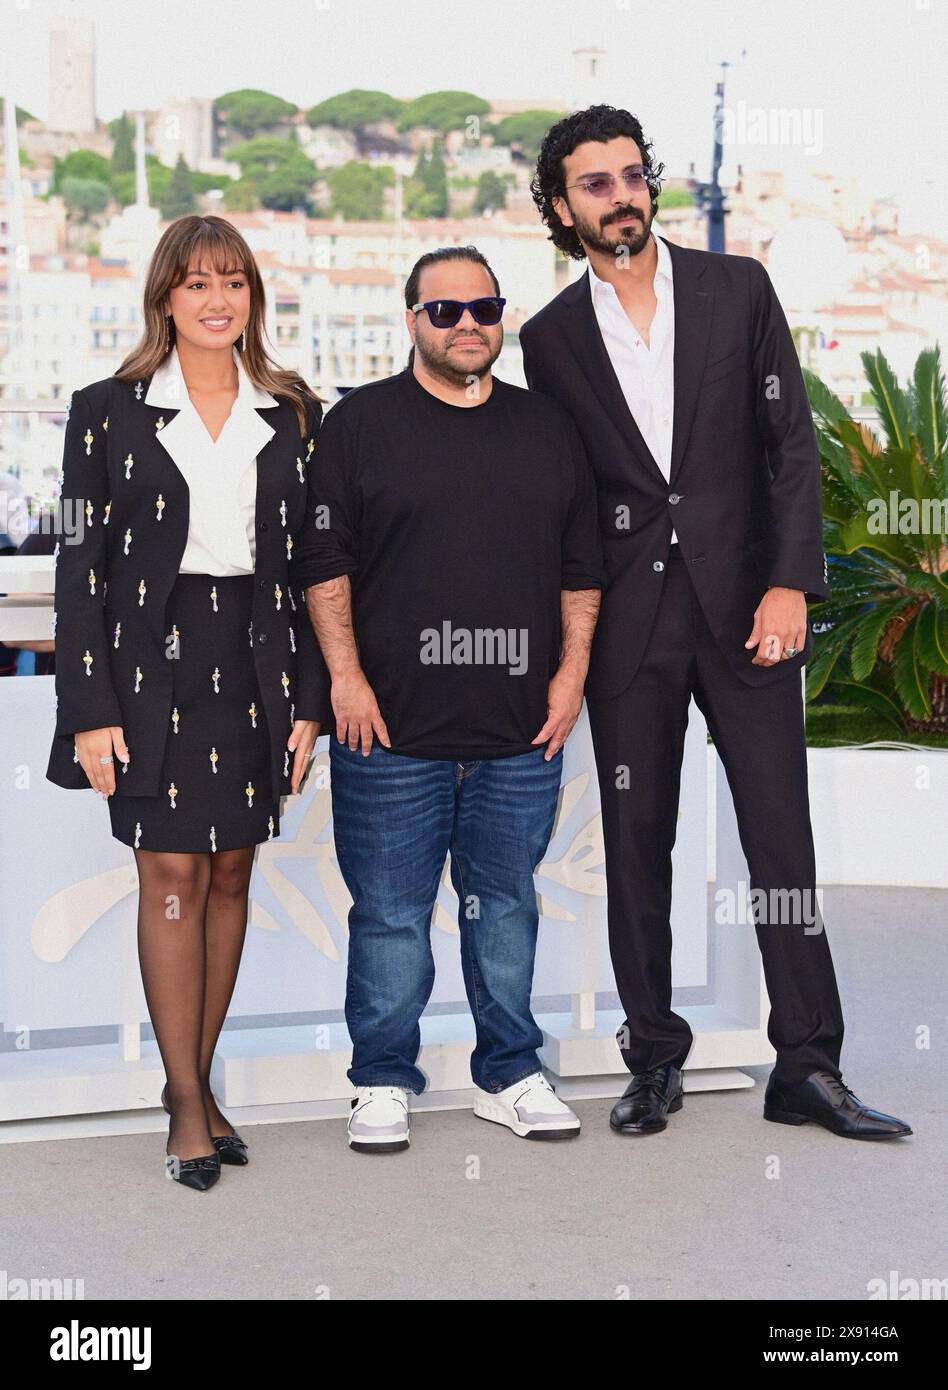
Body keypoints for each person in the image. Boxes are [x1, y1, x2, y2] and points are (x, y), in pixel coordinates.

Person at [520, 105, 911, 1141]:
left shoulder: (737, 289)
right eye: (594, 184)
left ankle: (810, 1065)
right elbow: (560, 497)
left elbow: (789, 446)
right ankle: (653, 1057)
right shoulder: (548, 339)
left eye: (631, 175)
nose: (621, 195)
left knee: (781, 841)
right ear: (563, 208)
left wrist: (791, 583)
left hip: (748, 615)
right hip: (629, 633)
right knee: (637, 845)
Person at [292, 246, 605, 1152]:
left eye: (484, 308)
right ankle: (382, 1079)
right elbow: (323, 564)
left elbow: (582, 567)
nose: (467, 324)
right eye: (445, 311)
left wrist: (572, 672)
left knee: (505, 905)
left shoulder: (548, 429)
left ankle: (510, 1072)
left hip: (519, 732)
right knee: (389, 916)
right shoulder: (359, 427)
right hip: (389, 730)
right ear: (412, 321)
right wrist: (346, 679)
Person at [45, 215, 331, 1189]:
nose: (218, 300)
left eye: (235, 282)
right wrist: (88, 708)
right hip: (141, 668)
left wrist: (313, 699)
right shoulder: (103, 410)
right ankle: (184, 1103)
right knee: (168, 867)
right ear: (165, 295)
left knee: (232, 874)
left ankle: (199, 1087)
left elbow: (313, 569)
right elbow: (76, 569)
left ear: (253, 297)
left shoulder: (294, 409)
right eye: (198, 282)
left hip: (254, 660)